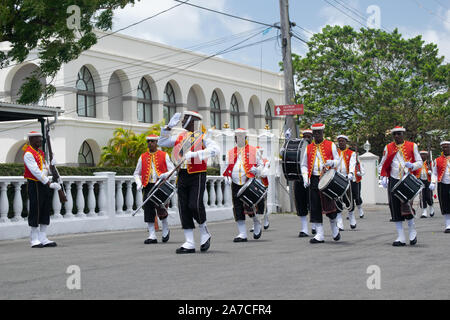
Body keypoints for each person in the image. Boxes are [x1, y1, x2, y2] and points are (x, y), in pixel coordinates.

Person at [158, 111, 220, 254]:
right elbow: (162, 142)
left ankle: (204, 232)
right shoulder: (180, 136)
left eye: (186, 118)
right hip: (182, 175)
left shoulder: (202, 136)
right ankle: (189, 242)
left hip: (197, 175)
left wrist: (197, 154)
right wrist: (168, 128)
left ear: (194, 120)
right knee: (183, 207)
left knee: (194, 204)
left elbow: (215, 150)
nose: (183, 120)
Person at [379, 126, 422, 247]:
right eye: (395, 134)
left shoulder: (412, 146)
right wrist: (383, 177)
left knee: (407, 206)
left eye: (399, 134)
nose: (397, 136)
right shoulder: (388, 147)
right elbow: (383, 164)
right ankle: (401, 237)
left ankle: (412, 230)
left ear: (403, 135)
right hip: (393, 179)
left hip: (406, 179)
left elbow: (419, 162)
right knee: (394, 207)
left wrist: (412, 165)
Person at [223, 128, 268, 242]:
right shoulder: (231, 152)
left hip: (249, 182)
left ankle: (257, 224)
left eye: (241, 137)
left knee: (252, 206)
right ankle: (242, 233)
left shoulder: (253, 151)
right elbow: (225, 167)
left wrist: (256, 170)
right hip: (235, 183)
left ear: (245, 138)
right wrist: (226, 177)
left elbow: (261, 165)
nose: (239, 139)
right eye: (237, 137)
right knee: (237, 207)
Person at [301, 123, 341, 244]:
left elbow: (338, 161)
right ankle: (319, 234)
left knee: (330, 206)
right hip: (313, 179)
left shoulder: (331, 145)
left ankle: (334, 229)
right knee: (315, 206)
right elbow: (303, 165)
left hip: (327, 179)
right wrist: (305, 178)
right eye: (315, 133)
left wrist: (332, 162)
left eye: (319, 132)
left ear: (323, 133)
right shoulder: (308, 148)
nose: (317, 135)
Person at [134, 134, 175, 244]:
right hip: (147, 186)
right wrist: (138, 183)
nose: (150, 143)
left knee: (162, 207)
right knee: (148, 209)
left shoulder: (164, 155)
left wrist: (164, 175)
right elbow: (136, 173)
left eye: (152, 141)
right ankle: (152, 235)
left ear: (157, 142)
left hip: (160, 185)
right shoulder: (142, 157)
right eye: (148, 142)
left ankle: (165, 228)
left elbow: (172, 170)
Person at [23, 131, 61, 248]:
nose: (40, 140)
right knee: (36, 209)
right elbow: (35, 172)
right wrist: (49, 183)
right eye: (38, 138)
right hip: (35, 184)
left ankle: (43, 237)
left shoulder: (40, 153)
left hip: (43, 184)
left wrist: (51, 166)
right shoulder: (28, 154)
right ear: (31, 140)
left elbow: (43, 169)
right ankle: (34, 238)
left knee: (45, 209)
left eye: (40, 138)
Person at [335, 135, 357, 230]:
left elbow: (352, 164)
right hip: (336, 178)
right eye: (339, 141)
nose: (341, 143)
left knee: (348, 199)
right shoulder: (335, 152)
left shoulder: (351, 153)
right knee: (337, 198)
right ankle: (339, 221)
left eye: (342, 141)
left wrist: (351, 173)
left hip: (346, 178)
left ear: (346, 142)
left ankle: (351, 216)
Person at [429, 141, 450, 233]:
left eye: (447, 147)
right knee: (445, 204)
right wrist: (433, 182)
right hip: (443, 184)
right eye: (444, 147)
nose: (445, 149)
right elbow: (434, 173)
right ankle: (448, 224)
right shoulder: (437, 160)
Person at [418, 151, 435, 218]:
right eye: (421, 154)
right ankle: (424, 211)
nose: (423, 156)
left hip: (428, 181)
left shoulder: (430, 163)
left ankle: (431, 206)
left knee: (428, 196)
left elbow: (435, 171)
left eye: (424, 155)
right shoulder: (418, 163)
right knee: (422, 196)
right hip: (420, 180)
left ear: (427, 155)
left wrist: (431, 172)